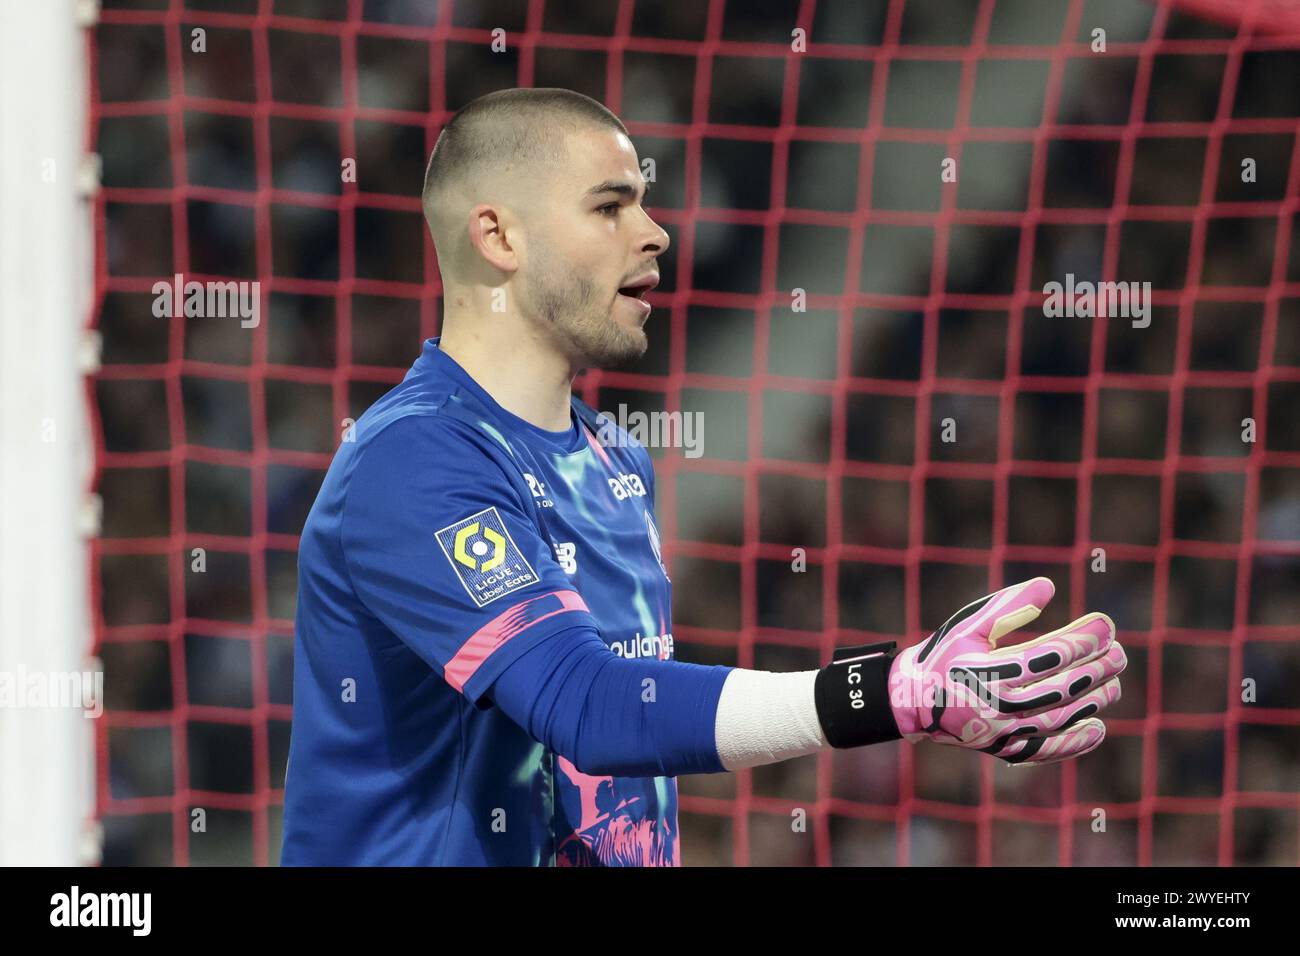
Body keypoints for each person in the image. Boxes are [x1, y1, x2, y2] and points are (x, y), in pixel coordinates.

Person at [280, 87, 1127, 866]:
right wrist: (889, 693)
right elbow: (584, 706)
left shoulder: (616, 459)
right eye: (611, 206)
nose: (655, 232)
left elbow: (627, 767)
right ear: (499, 237)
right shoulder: (413, 459)